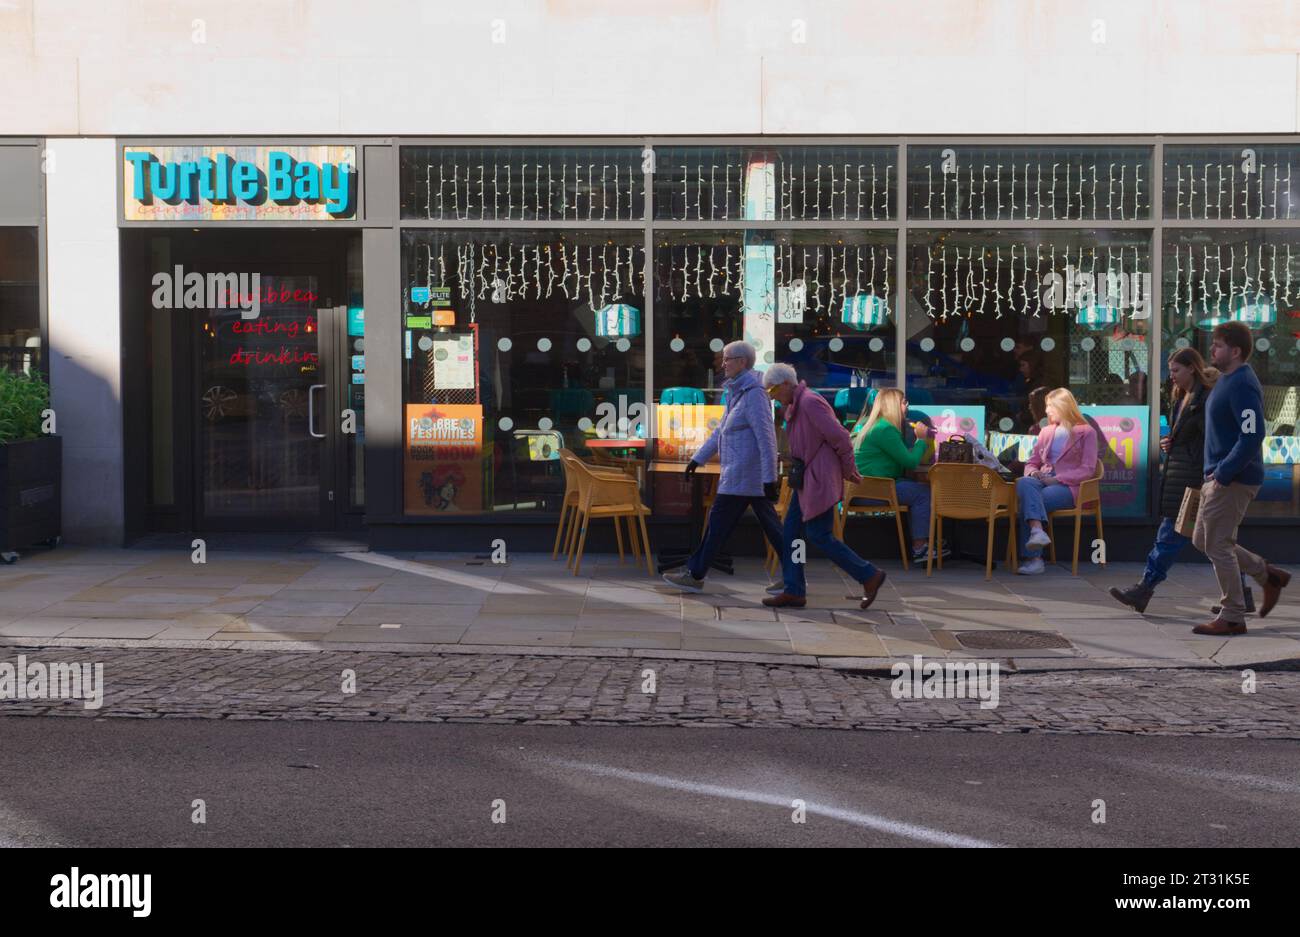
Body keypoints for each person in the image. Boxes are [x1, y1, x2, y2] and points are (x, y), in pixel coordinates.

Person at [1108, 349, 1256, 612]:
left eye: (1176, 370)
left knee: (1174, 538)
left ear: (1192, 368)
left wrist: (1208, 473)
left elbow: (1212, 442)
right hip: (1182, 478)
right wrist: (1172, 443)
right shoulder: (1183, 398)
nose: (1172, 376)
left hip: (1196, 480)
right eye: (1171, 371)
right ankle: (1243, 591)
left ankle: (1144, 589)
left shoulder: (1206, 399)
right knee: (1214, 540)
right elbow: (1190, 438)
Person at [1190, 321, 1290, 635]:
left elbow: (1252, 434)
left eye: (1217, 345)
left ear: (1235, 351)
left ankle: (1232, 615)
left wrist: (1223, 472)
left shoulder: (1243, 383)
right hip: (1218, 475)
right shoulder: (1226, 379)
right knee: (1202, 540)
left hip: (1233, 478)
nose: (1212, 350)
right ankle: (1267, 574)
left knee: (1218, 544)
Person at [760, 363, 888, 610]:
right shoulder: (795, 406)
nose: (772, 397)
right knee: (791, 534)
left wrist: (849, 468)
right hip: (806, 479)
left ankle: (868, 574)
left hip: (818, 479)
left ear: (787, 384)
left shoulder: (810, 402)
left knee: (819, 535)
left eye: (773, 390)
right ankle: (794, 589)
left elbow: (840, 437)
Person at [662, 340, 783, 593]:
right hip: (742, 478)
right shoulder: (737, 392)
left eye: (727, 358)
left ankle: (694, 575)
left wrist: (770, 478)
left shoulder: (754, 395)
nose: (722, 363)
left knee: (719, 526)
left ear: (742, 362)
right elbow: (721, 430)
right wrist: (698, 458)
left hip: (745, 478)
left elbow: (767, 438)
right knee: (773, 532)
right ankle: (797, 575)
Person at [849, 387, 947, 562]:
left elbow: (904, 459)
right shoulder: (885, 430)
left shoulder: (878, 426)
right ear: (892, 405)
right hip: (871, 492)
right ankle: (920, 547)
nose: (907, 405)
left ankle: (923, 540)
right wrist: (921, 440)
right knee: (924, 493)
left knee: (914, 488)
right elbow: (910, 462)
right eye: (903, 402)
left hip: (862, 489)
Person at [1014, 388, 1099, 575]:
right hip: (1043, 479)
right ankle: (1037, 531)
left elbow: (1088, 469)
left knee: (1033, 500)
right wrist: (1033, 473)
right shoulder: (1046, 431)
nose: (1046, 411)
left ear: (1062, 406)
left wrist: (1057, 479)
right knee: (1023, 483)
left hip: (1069, 485)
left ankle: (1034, 559)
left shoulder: (1086, 432)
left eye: (1050, 406)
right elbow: (1032, 461)